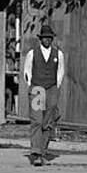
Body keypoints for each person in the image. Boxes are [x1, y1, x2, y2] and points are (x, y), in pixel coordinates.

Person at [23, 22, 66, 165]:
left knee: (48, 122)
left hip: (51, 88)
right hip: (37, 88)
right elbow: (27, 71)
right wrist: (31, 85)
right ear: (40, 39)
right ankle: (35, 152)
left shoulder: (58, 54)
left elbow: (60, 71)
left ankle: (42, 150)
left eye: (49, 38)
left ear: (52, 39)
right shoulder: (32, 53)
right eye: (45, 38)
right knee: (37, 120)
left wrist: (56, 85)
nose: (47, 40)